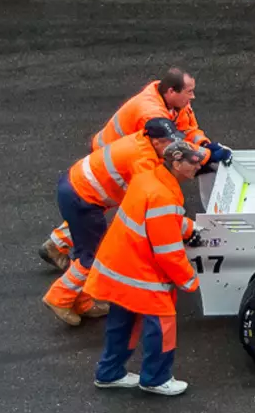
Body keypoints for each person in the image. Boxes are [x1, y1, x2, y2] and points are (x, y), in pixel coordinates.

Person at [38, 68, 230, 270]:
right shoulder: (151, 113)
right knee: (122, 204)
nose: (193, 96)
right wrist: (206, 156)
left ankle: (58, 243)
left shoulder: (168, 98)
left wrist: (205, 145)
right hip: (114, 158)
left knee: (94, 205)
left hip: (118, 157)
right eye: (189, 92)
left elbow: (187, 130)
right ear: (172, 91)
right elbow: (171, 147)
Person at [41, 118, 193, 326]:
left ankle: (82, 303)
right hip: (83, 199)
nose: (172, 146)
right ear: (155, 142)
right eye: (168, 142)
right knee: (92, 257)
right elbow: (150, 202)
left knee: (89, 249)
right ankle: (59, 298)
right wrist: (183, 227)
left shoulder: (142, 142)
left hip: (77, 189)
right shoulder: (142, 160)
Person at [83, 140, 205, 396]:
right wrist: (190, 281)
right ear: (176, 163)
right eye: (193, 161)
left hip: (119, 266)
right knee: (162, 324)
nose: (198, 165)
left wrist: (188, 228)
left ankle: (109, 372)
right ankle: (156, 379)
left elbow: (158, 221)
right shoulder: (163, 196)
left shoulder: (149, 179)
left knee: (122, 321)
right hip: (139, 272)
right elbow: (168, 252)